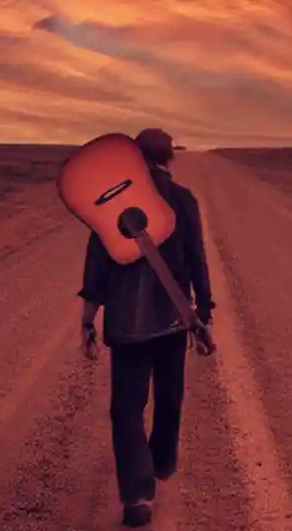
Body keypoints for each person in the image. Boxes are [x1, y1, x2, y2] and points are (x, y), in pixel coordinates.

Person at [77, 127, 215, 528]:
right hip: (173, 319)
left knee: (127, 409)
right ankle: (162, 461)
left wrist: (87, 320)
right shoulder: (184, 199)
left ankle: (137, 495)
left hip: (125, 323)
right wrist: (202, 314)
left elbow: (96, 266)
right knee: (169, 396)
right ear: (169, 158)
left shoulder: (111, 201)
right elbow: (196, 261)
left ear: (135, 159)